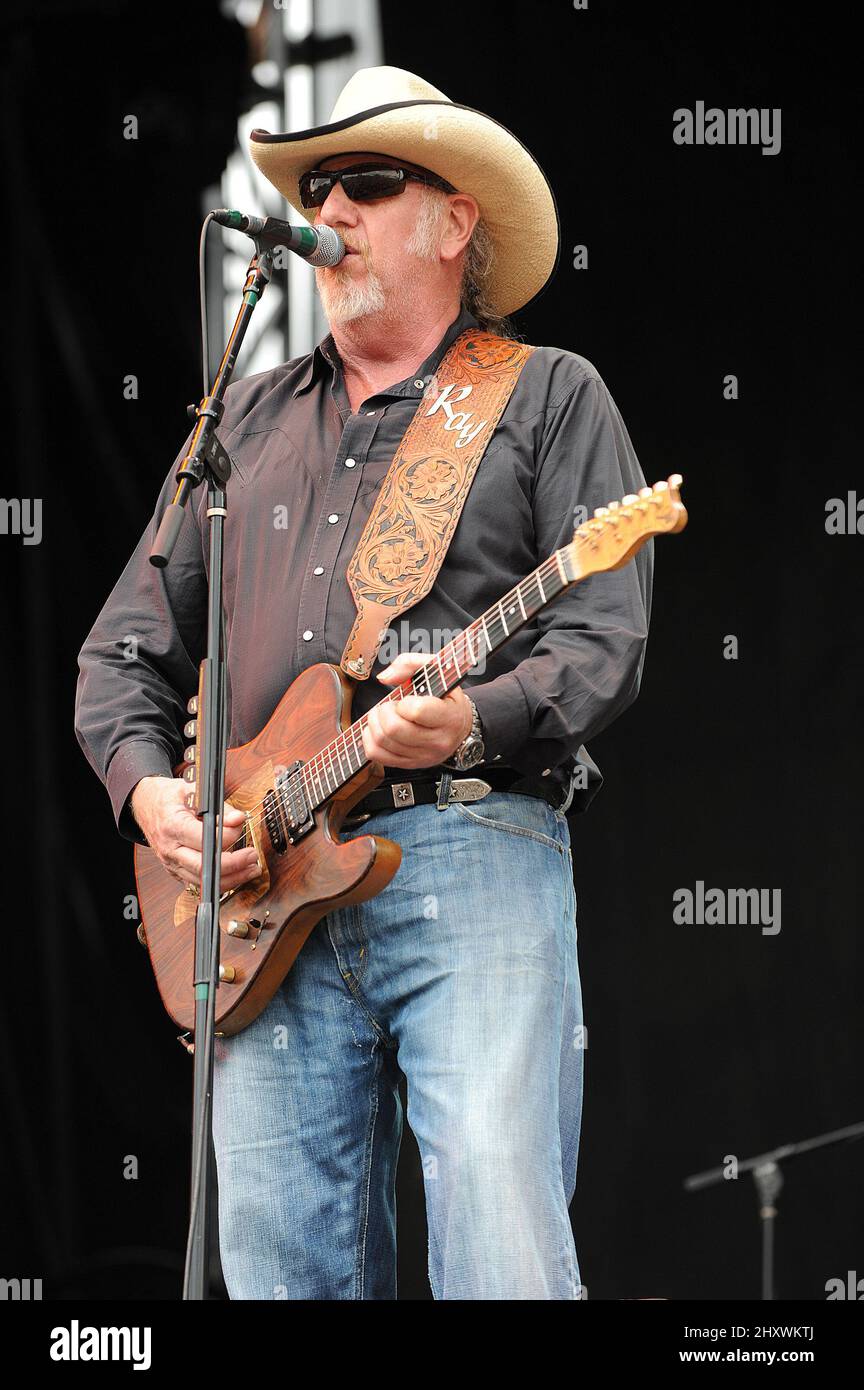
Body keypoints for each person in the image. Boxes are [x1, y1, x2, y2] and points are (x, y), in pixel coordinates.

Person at [75, 65, 653, 1300]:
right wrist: (153, 799)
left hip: (472, 843)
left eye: (369, 182)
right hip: (261, 894)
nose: (330, 209)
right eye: (317, 187)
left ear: (455, 223)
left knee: (499, 1242)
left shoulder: (547, 395)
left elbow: (602, 637)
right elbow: (121, 652)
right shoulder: (240, 424)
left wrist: (472, 719)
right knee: (281, 1270)